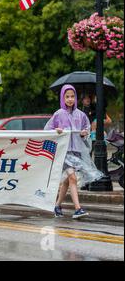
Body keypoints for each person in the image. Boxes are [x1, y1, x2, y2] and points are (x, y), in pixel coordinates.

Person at [44, 84, 103, 219]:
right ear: (63, 98)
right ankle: (78, 209)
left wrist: (84, 133)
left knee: (67, 181)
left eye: (72, 96)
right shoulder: (58, 114)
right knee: (72, 178)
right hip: (63, 152)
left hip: (75, 151)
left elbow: (87, 129)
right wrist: (56, 131)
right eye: (67, 96)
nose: (70, 99)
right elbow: (47, 130)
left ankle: (57, 206)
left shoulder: (81, 115)